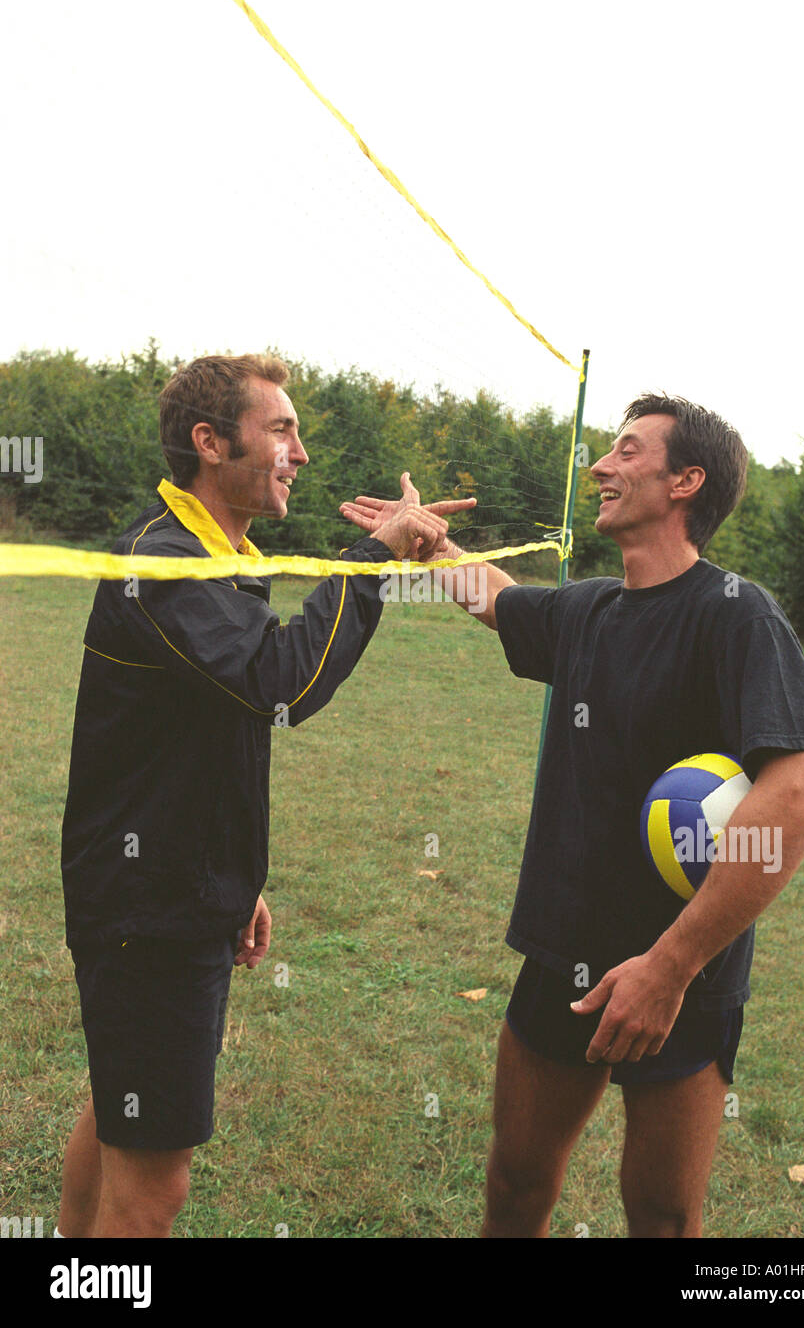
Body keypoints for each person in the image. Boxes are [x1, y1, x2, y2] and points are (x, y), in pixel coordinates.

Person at [340, 393, 804, 1238]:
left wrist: (670, 966)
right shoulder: (590, 610)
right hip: (561, 956)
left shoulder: (737, 613)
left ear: (685, 481)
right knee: (514, 1185)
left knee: (660, 1213)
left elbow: (799, 794)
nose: (602, 467)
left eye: (625, 451)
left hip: (685, 980)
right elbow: (496, 597)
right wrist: (427, 539)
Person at [57, 352, 472, 1238]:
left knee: (121, 1110)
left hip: (175, 890)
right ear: (211, 442)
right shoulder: (165, 563)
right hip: (148, 908)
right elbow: (281, 682)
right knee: (153, 1186)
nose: (302, 453)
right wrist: (375, 559)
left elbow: (214, 730)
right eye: (281, 430)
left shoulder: (219, 551)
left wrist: (235, 877)